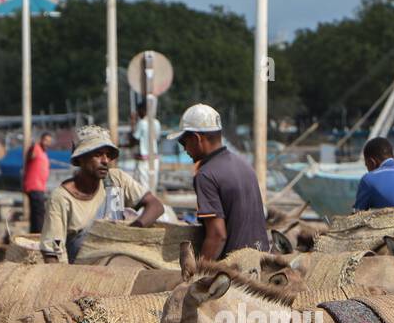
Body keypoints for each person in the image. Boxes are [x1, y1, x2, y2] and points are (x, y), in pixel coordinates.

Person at [41, 124, 163, 262]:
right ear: (81, 158)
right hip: (82, 273)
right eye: (98, 154)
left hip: (118, 263)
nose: (105, 160)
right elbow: (51, 254)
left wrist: (130, 232)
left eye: (108, 155)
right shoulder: (61, 199)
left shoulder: (116, 179)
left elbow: (155, 205)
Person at [168, 104, 269, 260]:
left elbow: (217, 236)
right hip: (263, 261)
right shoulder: (243, 164)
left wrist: (198, 274)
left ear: (196, 138)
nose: (184, 149)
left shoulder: (205, 175)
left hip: (236, 270)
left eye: (184, 142)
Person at [23, 131, 53, 235]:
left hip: (40, 187)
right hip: (34, 186)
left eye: (49, 141)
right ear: (41, 140)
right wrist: (32, 145)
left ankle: (34, 233)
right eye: (45, 140)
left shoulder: (44, 153)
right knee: (39, 212)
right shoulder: (36, 148)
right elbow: (31, 154)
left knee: (36, 213)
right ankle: (38, 234)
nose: (47, 143)